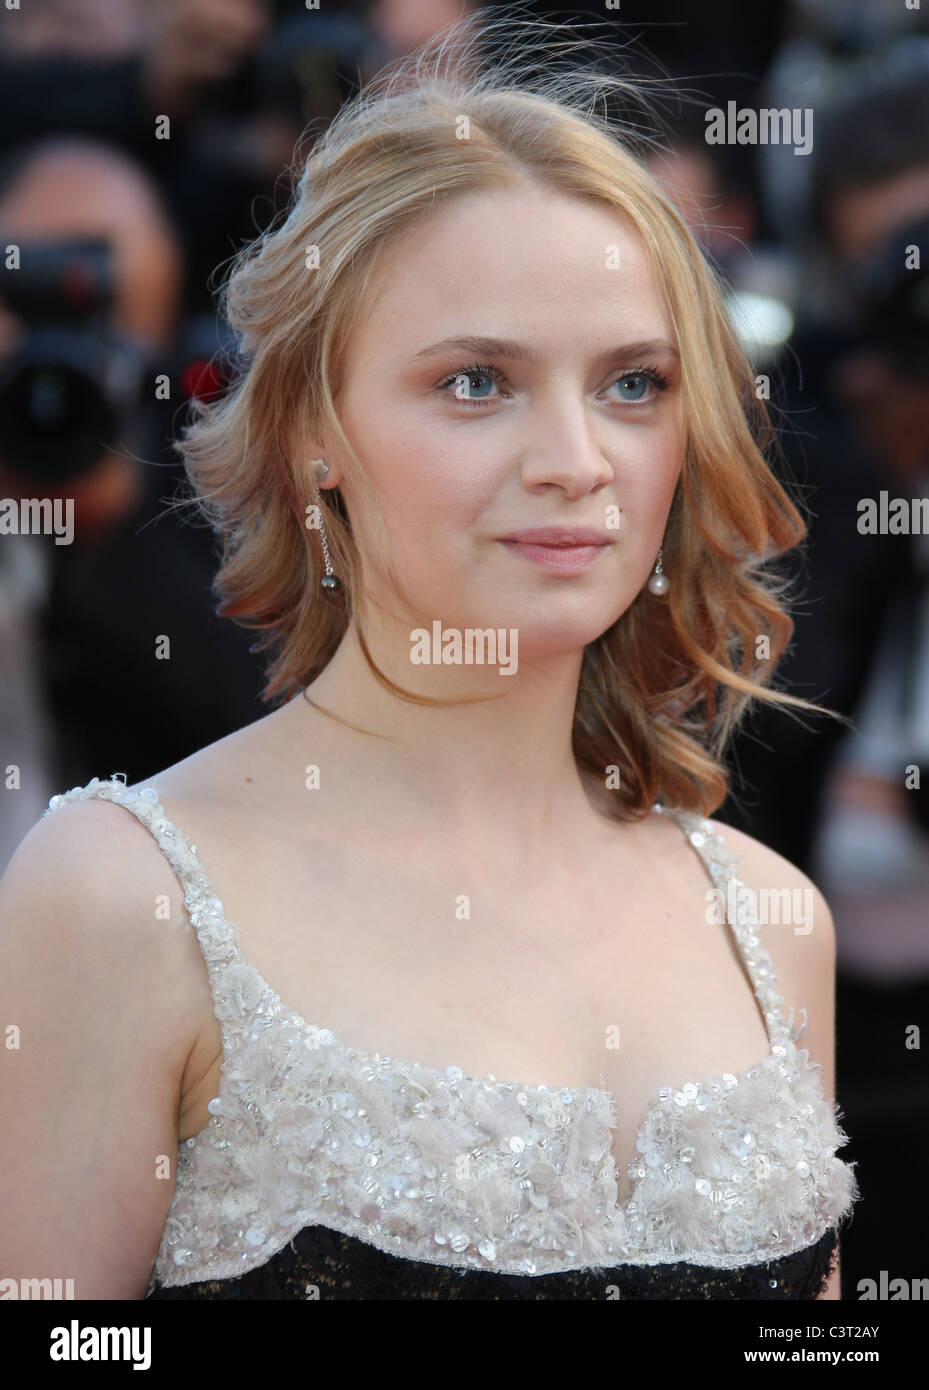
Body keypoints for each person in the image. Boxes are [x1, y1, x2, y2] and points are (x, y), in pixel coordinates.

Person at [0, 11, 859, 1301]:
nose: (575, 459)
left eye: (633, 384)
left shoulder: (771, 923)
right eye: (476, 384)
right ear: (312, 434)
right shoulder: (127, 900)